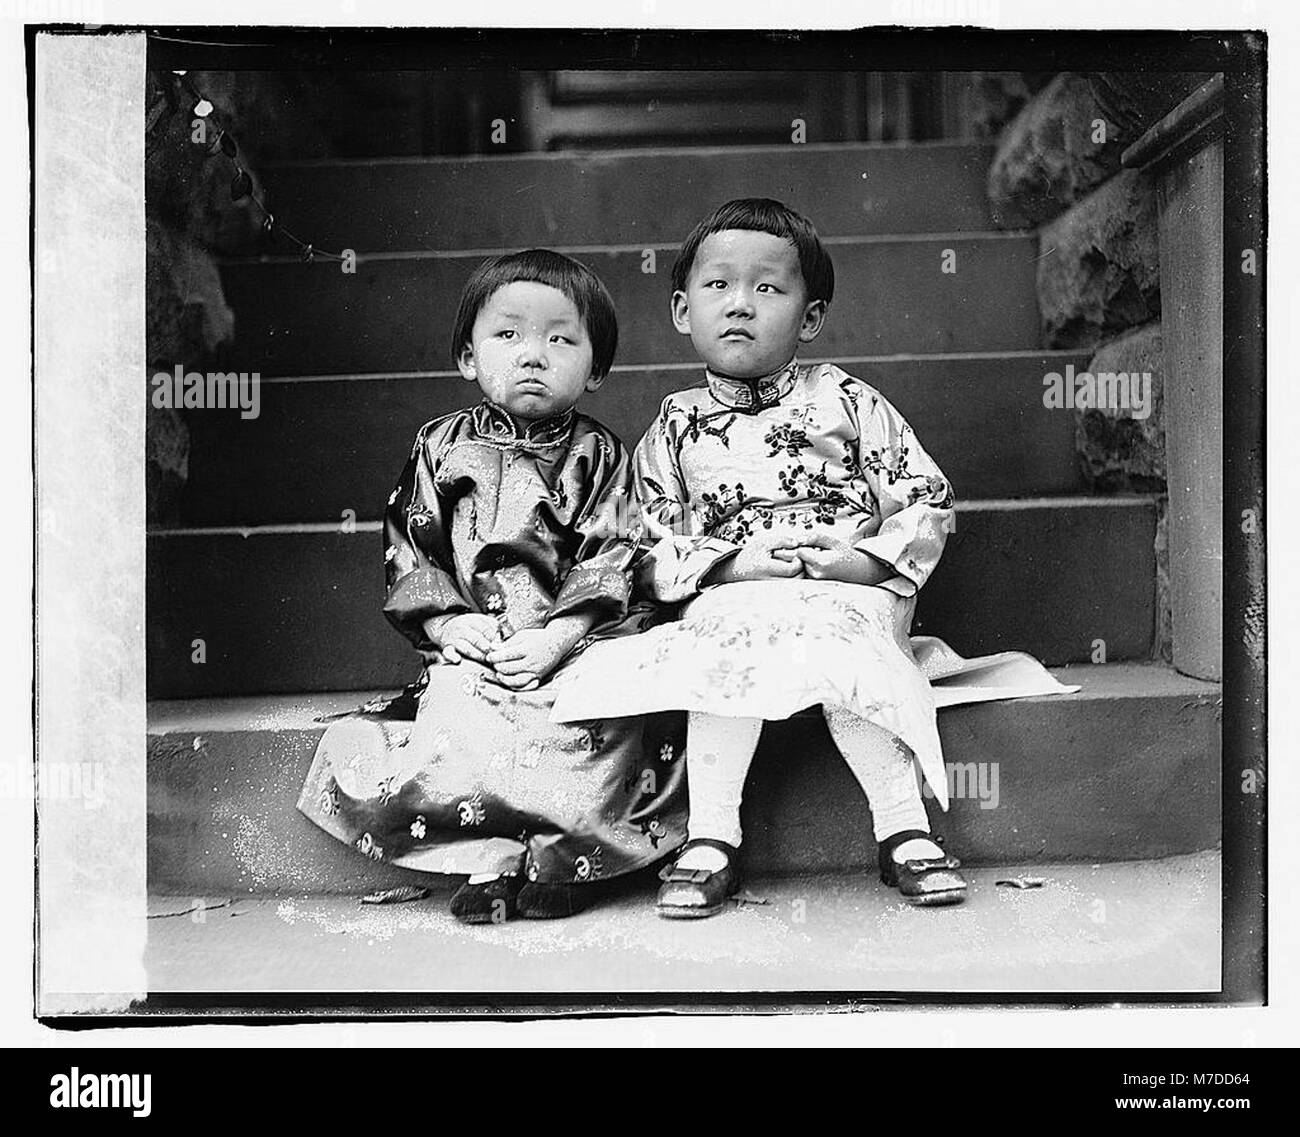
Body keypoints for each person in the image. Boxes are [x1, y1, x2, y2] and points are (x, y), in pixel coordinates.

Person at [550, 198, 968, 918]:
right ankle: (713, 833)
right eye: (718, 287)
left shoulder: (848, 400)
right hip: (737, 588)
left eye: (767, 288)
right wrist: (733, 565)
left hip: (847, 583)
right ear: (683, 309)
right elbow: (641, 535)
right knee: (724, 646)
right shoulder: (676, 423)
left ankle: (902, 822)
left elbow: (926, 500)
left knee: (842, 635)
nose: (739, 305)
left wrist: (855, 562)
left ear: (809, 318)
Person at [296, 249, 685, 924]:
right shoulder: (438, 447)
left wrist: (561, 636)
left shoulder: (601, 455)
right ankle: (492, 851)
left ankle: (570, 858)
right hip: (478, 639)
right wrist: (449, 626)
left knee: (594, 714)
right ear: (468, 358)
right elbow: (411, 545)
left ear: (595, 369)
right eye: (508, 335)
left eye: (561, 339)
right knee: (460, 703)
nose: (532, 354)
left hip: (576, 641)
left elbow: (618, 552)